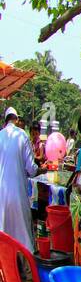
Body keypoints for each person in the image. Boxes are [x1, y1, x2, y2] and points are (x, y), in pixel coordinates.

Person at [0, 106, 37, 251]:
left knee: (4, 233)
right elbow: (31, 169)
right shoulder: (22, 135)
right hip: (18, 192)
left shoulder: (0, 135)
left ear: (6, 120)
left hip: (2, 193)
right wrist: (41, 169)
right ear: (16, 119)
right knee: (23, 238)